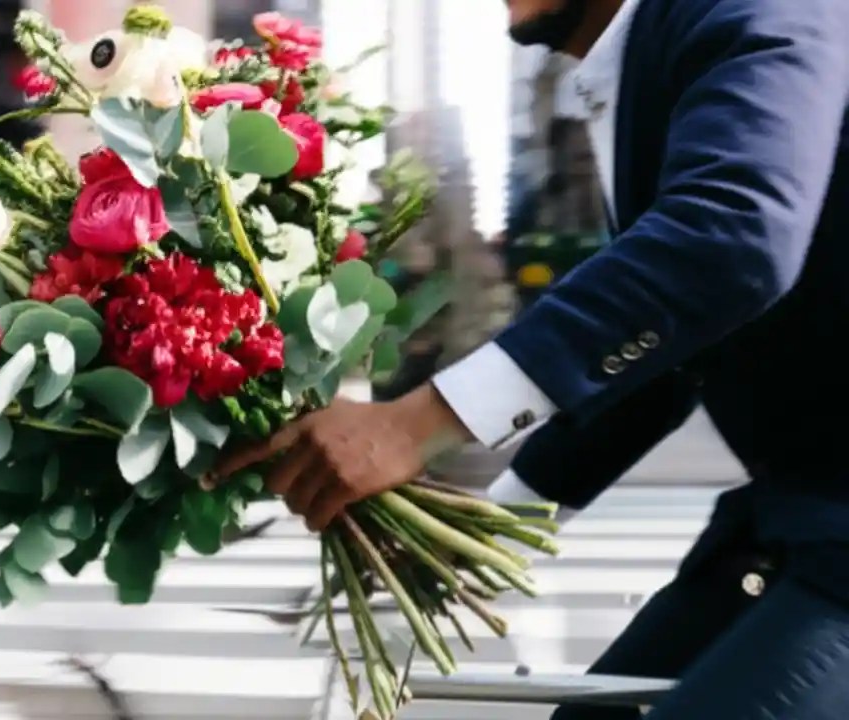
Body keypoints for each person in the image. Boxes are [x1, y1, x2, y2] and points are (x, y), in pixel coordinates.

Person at [209, 0, 849, 716]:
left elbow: (733, 238)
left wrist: (417, 423)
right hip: (798, 524)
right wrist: (494, 528)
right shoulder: (648, 52)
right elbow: (668, 358)